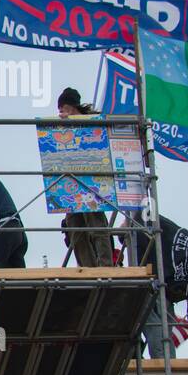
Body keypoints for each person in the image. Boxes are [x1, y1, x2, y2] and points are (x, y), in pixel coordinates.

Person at [55, 87, 114, 268]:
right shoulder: (66, 125)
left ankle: (105, 265)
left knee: (96, 224)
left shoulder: (91, 122)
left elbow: (98, 137)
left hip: (91, 183)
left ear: (69, 106)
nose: (60, 113)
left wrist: (72, 121)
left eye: (62, 108)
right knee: (74, 226)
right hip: (72, 184)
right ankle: (87, 267)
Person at [129, 215, 188, 359]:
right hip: (164, 290)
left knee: (158, 327)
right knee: (159, 327)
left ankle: (165, 364)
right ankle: (165, 364)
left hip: (160, 290)